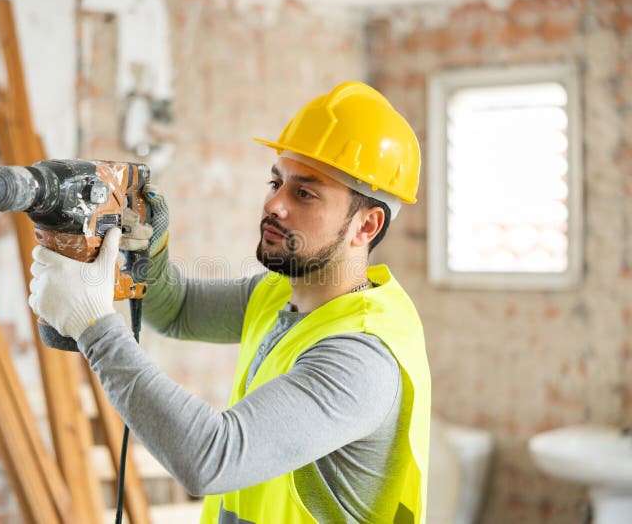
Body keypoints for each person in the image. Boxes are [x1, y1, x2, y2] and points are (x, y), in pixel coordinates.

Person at [28, 81, 431, 524]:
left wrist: (93, 325)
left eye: (305, 193)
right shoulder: (281, 294)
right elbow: (175, 311)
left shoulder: (360, 358)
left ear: (366, 226)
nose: (274, 204)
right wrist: (150, 251)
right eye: (276, 182)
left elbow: (211, 457)